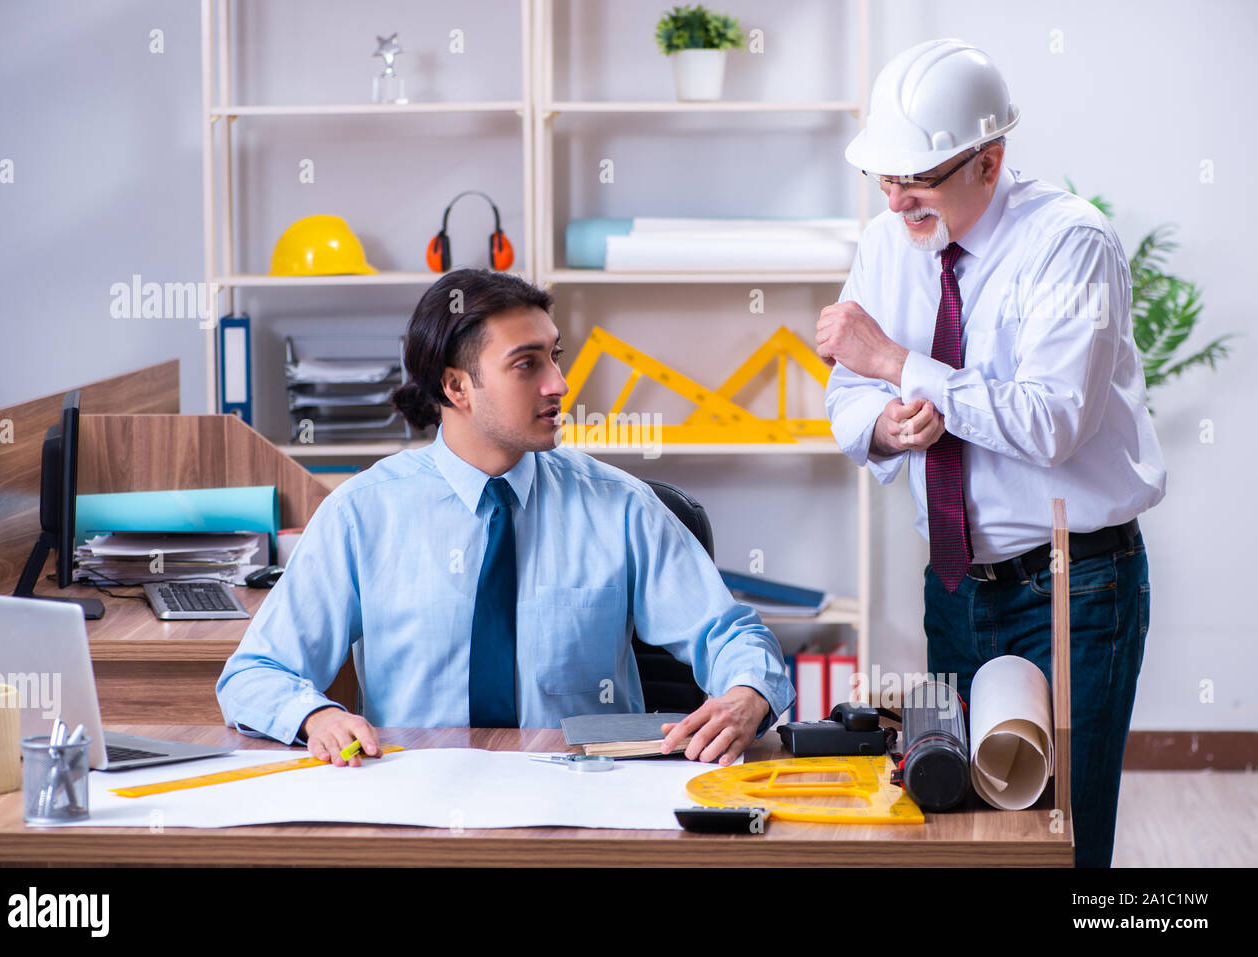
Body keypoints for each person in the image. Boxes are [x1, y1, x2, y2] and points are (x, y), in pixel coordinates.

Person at [817, 39, 1166, 868]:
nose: (901, 199)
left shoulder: (1070, 245)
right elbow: (847, 395)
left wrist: (900, 365)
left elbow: (1051, 423)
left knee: (1061, 832)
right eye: (888, 178)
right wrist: (886, 424)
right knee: (961, 823)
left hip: (1074, 583)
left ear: (991, 158)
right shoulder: (885, 243)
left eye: (921, 178)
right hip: (955, 583)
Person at [217, 268, 793, 768]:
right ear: (456, 386)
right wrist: (315, 715)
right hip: (420, 804)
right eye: (527, 365)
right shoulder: (363, 514)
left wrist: (747, 693)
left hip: (584, 801)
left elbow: (731, 634)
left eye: (555, 356)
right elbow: (254, 674)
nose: (559, 385)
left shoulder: (618, 505)